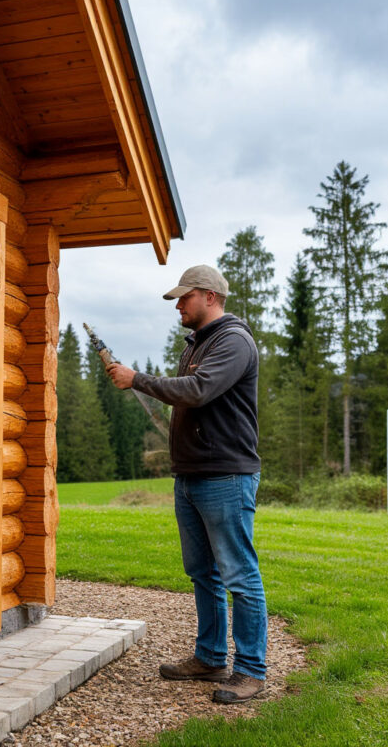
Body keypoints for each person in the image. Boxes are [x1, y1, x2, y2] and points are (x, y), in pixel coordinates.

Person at [107, 264, 268, 704]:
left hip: (225, 476)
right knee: (203, 574)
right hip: (192, 476)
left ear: (210, 296)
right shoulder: (199, 343)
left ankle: (251, 671)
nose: (177, 304)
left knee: (239, 576)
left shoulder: (233, 341)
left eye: (184, 297)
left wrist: (136, 378)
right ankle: (211, 659)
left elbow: (197, 390)